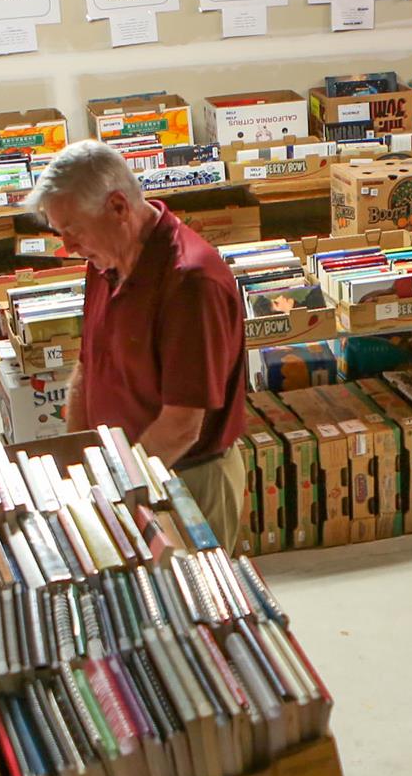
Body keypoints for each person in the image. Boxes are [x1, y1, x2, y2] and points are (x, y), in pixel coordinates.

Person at [30, 140, 248, 543]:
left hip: (185, 479)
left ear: (118, 207)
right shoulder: (106, 259)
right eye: (61, 233)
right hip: (128, 475)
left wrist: (118, 490)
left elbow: (182, 426)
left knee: (191, 602)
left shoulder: (191, 283)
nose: (68, 247)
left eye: (73, 230)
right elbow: (88, 365)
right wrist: (80, 463)